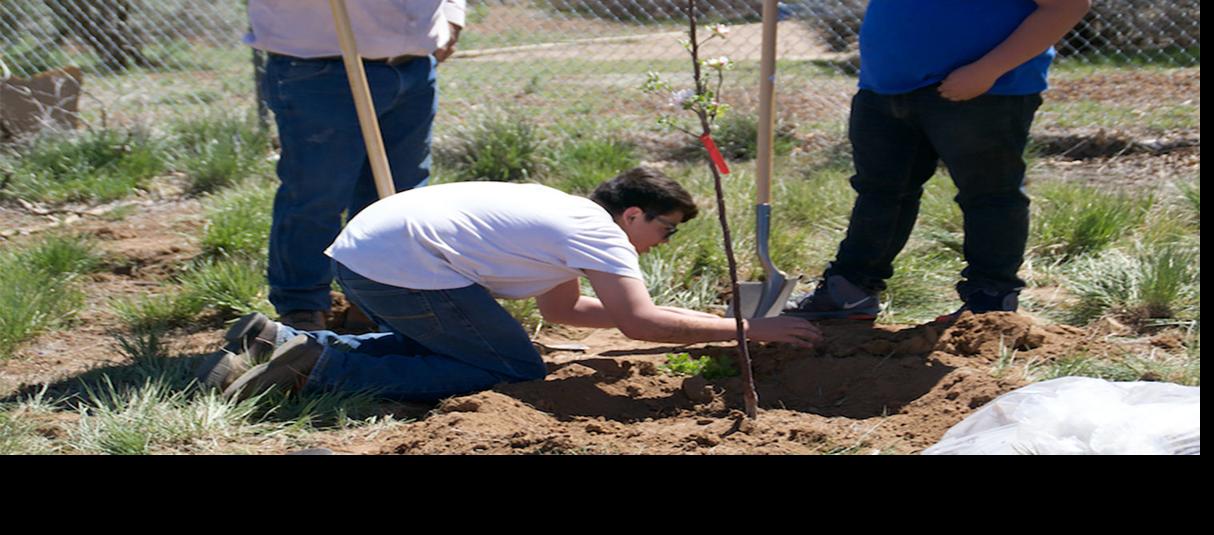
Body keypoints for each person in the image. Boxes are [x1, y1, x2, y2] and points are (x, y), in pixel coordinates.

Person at [195, 168, 823, 402]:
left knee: (465, 348)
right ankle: (321, 372)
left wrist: (672, 314)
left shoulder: (567, 218)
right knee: (510, 367)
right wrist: (748, 329)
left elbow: (570, 312)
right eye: (667, 229)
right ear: (632, 214)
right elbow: (638, 326)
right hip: (403, 265)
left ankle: (278, 341)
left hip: (369, 254)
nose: (664, 241)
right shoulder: (599, 233)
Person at [786, 0, 1092, 322]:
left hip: (983, 92)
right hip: (884, 88)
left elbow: (1066, 7)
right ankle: (850, 291)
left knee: (989, 194)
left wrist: (988, 69)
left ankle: (990, 302)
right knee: (880, 192)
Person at [246, 0, 466, 331]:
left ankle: (378, 302)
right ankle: (303, 309)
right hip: (318, 67)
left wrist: (452, 15)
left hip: (415, 67)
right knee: (317, 193)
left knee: (397, 197)